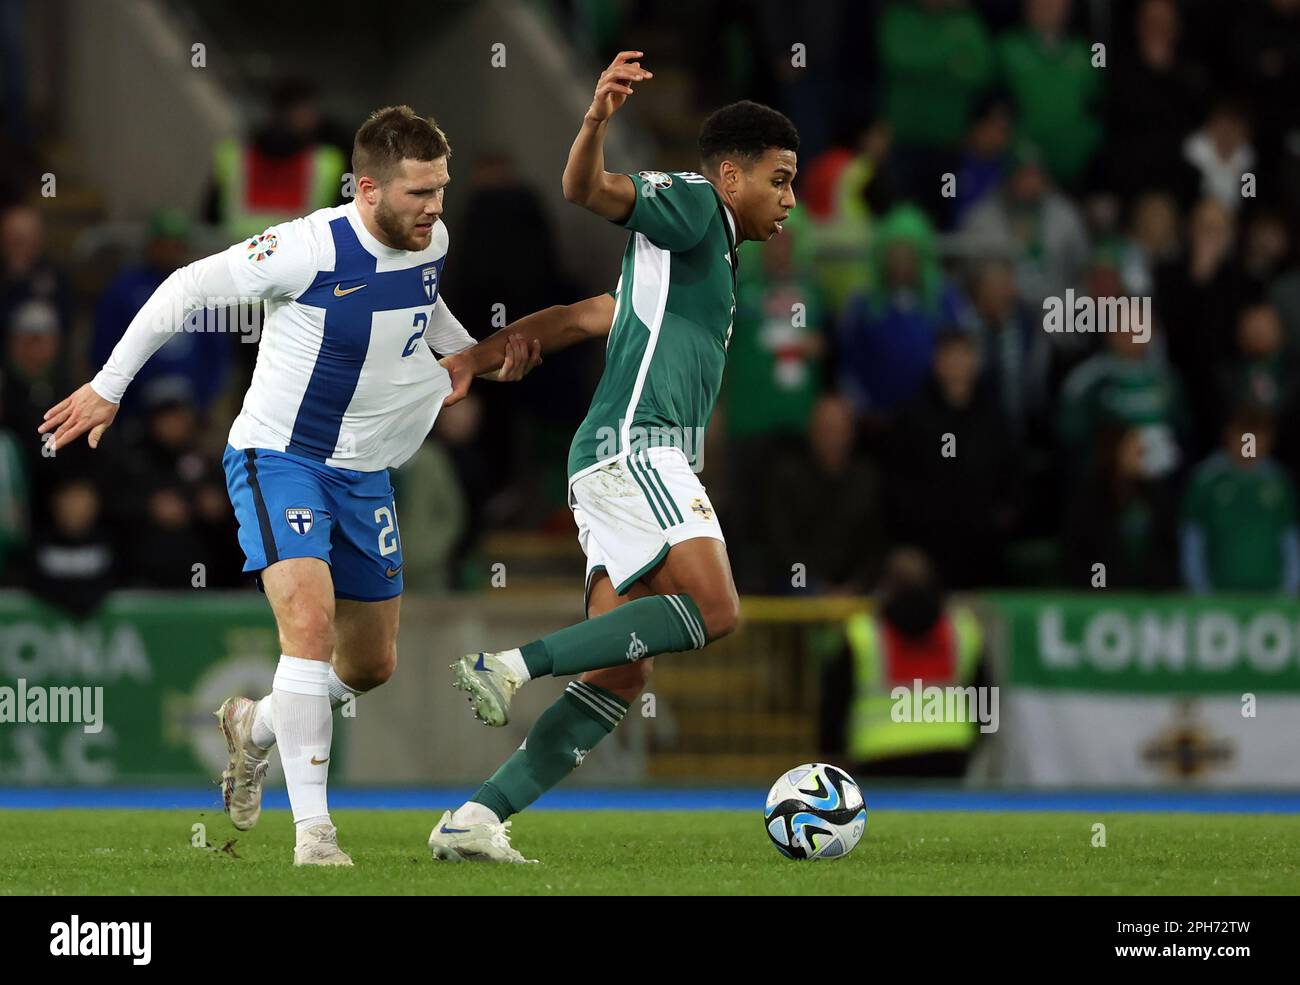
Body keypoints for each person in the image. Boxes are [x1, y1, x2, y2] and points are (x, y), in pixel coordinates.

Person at [38, 106, 542, 866]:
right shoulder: (304, 248)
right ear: (367, 188)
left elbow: (422, 306)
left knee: (370, 664)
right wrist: (109, 387)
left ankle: (258, 723)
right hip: (280, 455)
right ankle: (315, 834)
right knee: (308, 627)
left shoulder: (429, 239)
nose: (435, 207)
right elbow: (186, 287)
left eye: (440, 189)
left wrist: (469, 354)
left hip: (364, 467)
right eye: (418, 192)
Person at [427, 53, 798, 862]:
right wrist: (594, 120)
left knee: (621, 675)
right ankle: (509, 664)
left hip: (606, 461)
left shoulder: (684, 266)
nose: (791, 201)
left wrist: (475, 360)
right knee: (719, 608)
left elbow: (575, 317)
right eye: (781, 179)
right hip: (641, 448)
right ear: (731, 176)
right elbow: (586, 192)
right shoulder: (698, 205)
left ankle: (476, 819)